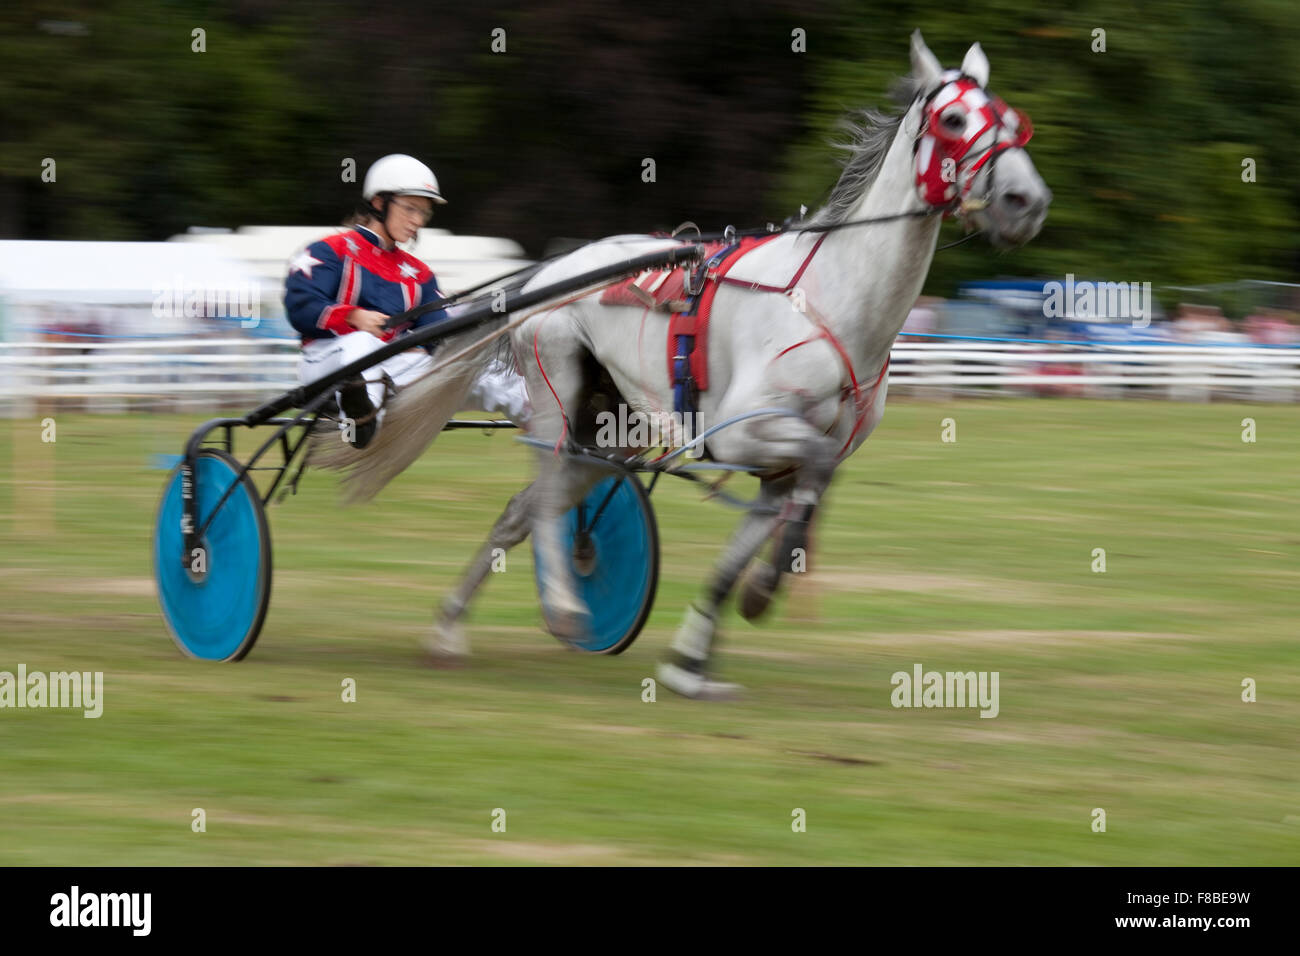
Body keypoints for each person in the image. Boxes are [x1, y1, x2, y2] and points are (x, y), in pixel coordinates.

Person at [284, 153, 528, 448]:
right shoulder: (329, 251)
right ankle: (361, 423)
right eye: (411, 209)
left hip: (391, 370)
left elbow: (438, 335)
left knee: (484, 369)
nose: (418, 221)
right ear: (378, 202)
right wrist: (353, 317)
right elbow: (301, 307)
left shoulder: (420, 275)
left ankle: (561, 429)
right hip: (325, 364)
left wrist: (467, 338)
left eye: (424, 213)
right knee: (363, 343)